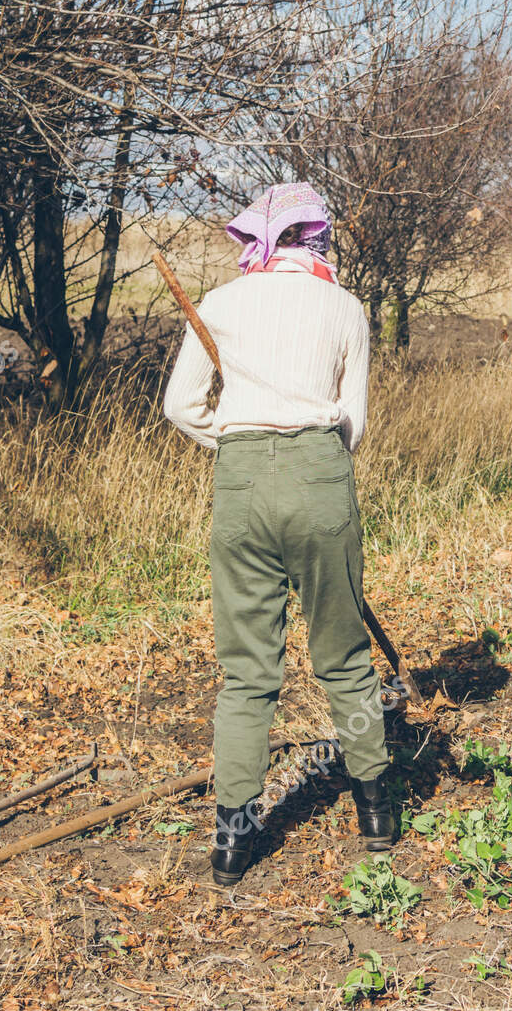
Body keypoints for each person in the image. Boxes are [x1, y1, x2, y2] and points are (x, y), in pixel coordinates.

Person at [162, 182, 395, 886]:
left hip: (240, 484)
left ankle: (233, 843)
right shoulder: (345, 307)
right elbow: (352, 421)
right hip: (321, 474)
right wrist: (309, 462)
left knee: (247, 671)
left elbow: (179, 405)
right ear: (316, 235)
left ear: (262, 236)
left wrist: (237, 443)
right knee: (345, 657)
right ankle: (377, 813)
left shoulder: (223, 304)